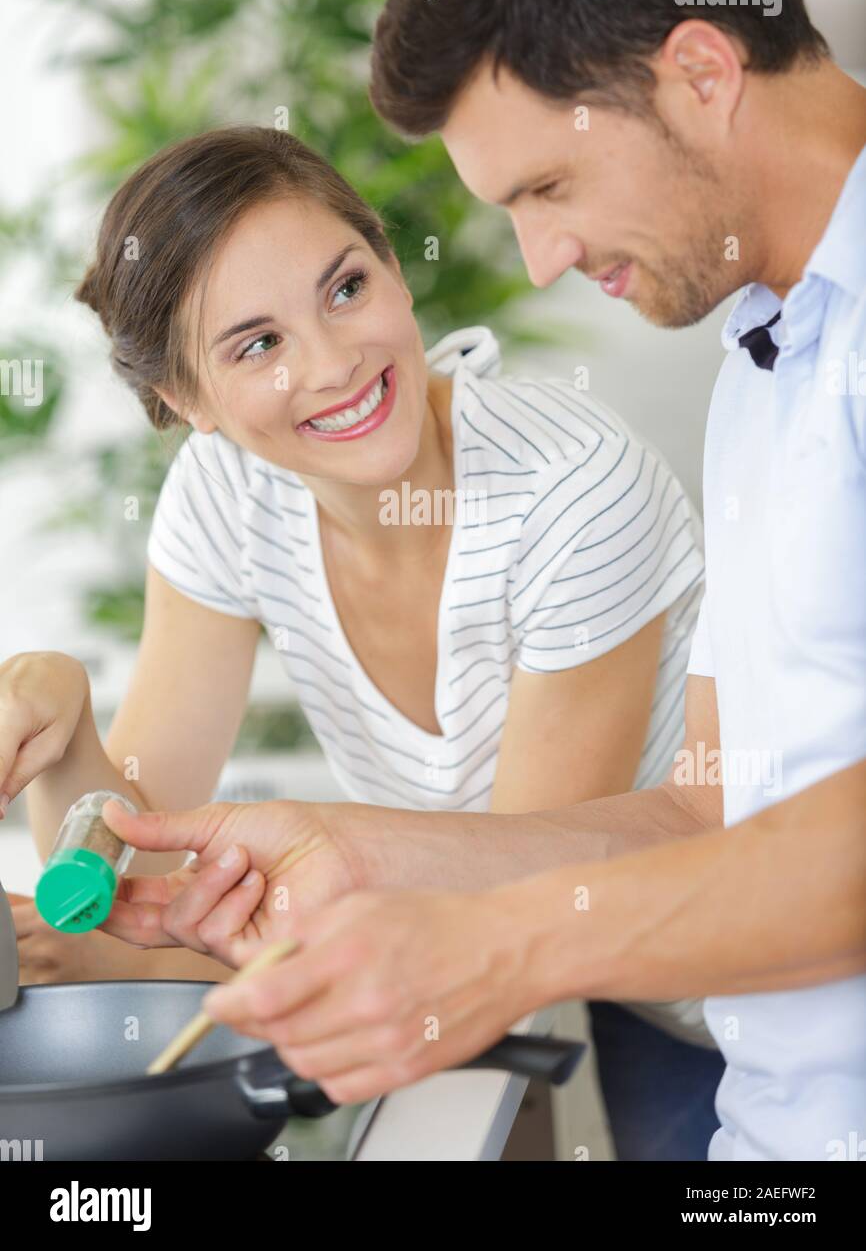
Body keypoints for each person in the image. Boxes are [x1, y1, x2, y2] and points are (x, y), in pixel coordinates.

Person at [92, 0, 866, 1163]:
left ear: (699, 70)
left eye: (544, 191)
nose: (538, 261)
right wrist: (350, 846)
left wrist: (491, 937)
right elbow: (701, 811)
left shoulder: (603, 467)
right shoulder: (766, 370)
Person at [0, 123, 717, 1158]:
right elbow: (132, 866)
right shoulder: (224, 494)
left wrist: (138, 962)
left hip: (791, 968)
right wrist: (65, 730)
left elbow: (512, 904)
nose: (335, 363)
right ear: (183, 400)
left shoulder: (570, 493)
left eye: (344, 287)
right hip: (644, 992)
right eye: (256, 344)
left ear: (389, 261)